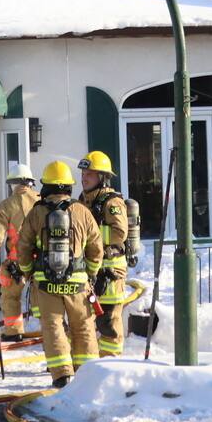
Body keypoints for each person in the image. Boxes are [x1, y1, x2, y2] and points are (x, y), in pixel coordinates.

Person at [17, 161, 102, 388]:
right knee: (83, 326)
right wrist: (91, 272)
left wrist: (27, 271)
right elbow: (96, 247)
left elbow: (23, 246)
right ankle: (88, 376)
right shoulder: (82, 211)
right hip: (78, 282)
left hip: (46, 283)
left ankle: (61, 375)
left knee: (53, 327)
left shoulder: (36, 212)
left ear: (46, 185)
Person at [78, 151, 129, 357]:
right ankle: (83, 361)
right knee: (82, 317)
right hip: (89, 269)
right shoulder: (83, 200)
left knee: (108, 320)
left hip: (110, 270)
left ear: (102, 177)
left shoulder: (112, 202)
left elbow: (120, 233)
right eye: (83, 174)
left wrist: (91, 233)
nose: (84, 178)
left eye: (89, 174)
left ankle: (111, 362)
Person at [0, 164, 38, 341]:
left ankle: (13, 332)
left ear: (13, 184)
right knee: (45, 298)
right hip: (40, 261)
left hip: (16, 262)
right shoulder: (42, 202)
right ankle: (53, 329)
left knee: (10, 297)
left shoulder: (6, 206)